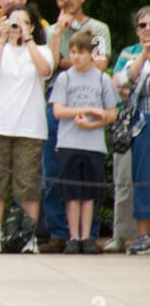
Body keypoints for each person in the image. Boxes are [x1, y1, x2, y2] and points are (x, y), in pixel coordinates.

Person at [40, 0, 112, 248]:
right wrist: (58, 33)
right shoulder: (51, 31)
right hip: (57, 102)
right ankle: (60, 233)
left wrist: (64, 61)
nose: (66, 0)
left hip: (91, 100)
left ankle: (87, 236)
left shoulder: (98, 29)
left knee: (88, 174)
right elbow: (49, 65)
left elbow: (102, 64)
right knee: (54, 170)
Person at [0, 3, 52, 253]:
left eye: (24, 21)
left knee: (28, 185)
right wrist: (1, 40)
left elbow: (45, 70)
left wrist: (28, 39)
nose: (17, 25)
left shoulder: (42, 50)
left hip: (30, 128)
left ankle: (28, 236)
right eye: (12, 20)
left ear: (32, 26)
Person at [49, 31, 118, 253]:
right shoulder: (65, 77)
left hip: (94, 144)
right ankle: (73, 236)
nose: (76, 57)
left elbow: (111, 113)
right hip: (69, 142)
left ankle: (87, 236)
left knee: (89, 193)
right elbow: (58, 110)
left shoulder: (102, 78)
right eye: (73, 52)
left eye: (81, 53)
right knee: (71, 193)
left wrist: (93, 124)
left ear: (91, 54)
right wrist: (85, 110)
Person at [107, 7, 150, 252]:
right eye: (142, 25)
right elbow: (120, 81)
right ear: (136, 30)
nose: (147, 29)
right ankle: (135, 236)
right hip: (140, 121)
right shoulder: (130, 53)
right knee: (138, 179)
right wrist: (143, 56)